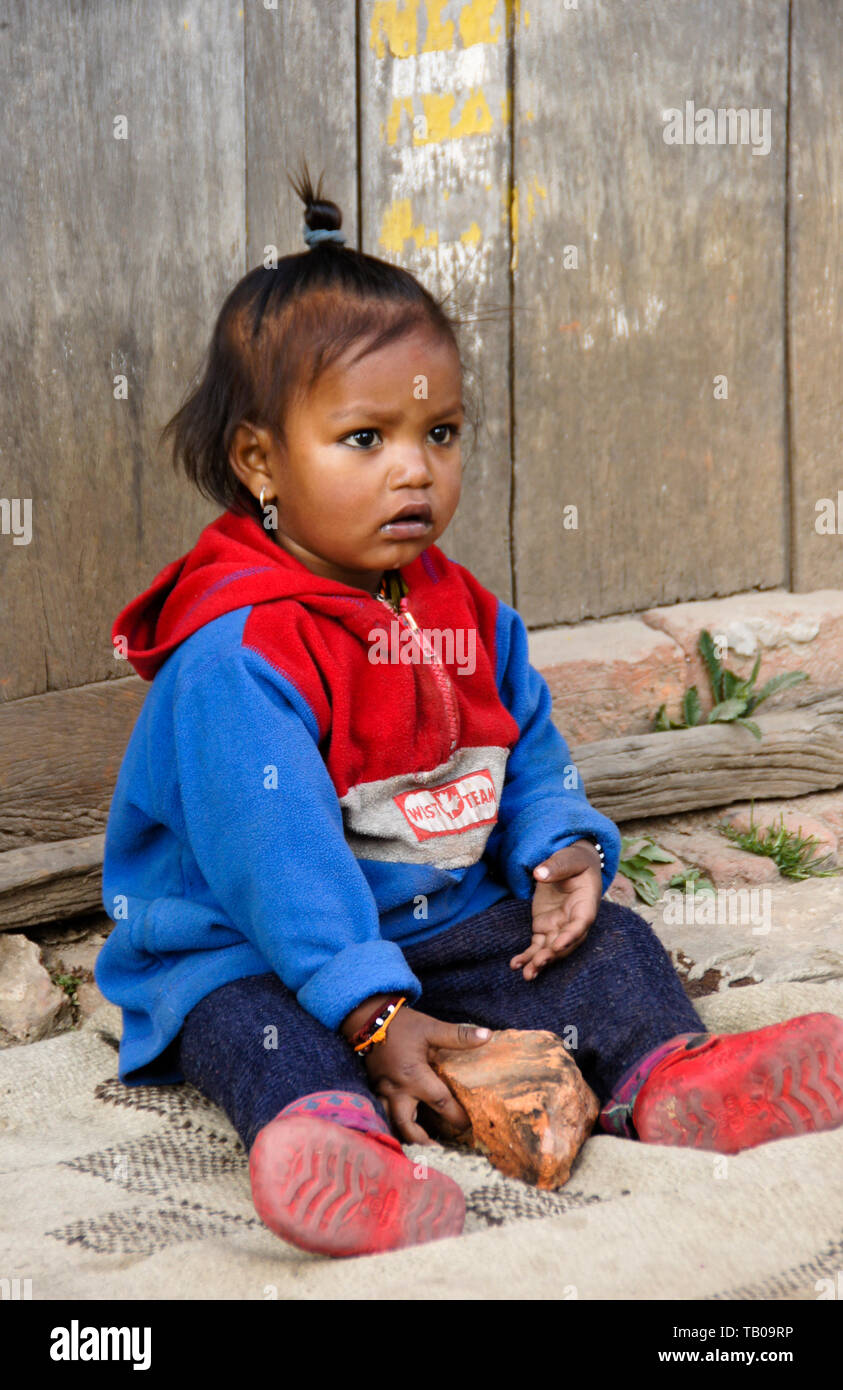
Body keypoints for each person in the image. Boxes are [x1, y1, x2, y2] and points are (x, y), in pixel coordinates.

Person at [95, 164, 843, 1259]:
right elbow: (278, 863)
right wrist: (376, 1019)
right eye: (365, 441)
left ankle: (675, 1080)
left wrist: (559, 849)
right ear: (259, 459)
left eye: (438, 434)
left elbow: (527, 744)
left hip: (430, 921)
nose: (415, 472)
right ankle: (337, 1147)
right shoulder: (240, 654)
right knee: (250, 1031)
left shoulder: (463, 612)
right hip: (251, 942)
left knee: (614, 952)